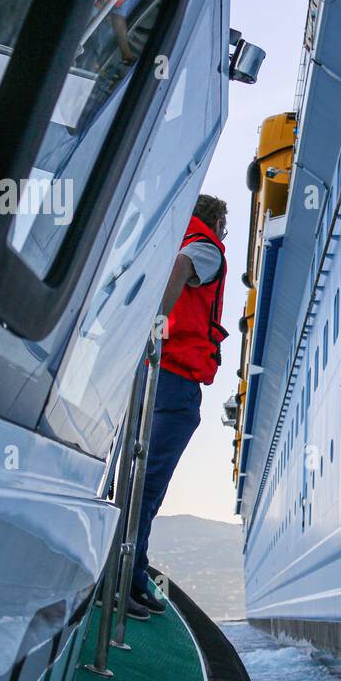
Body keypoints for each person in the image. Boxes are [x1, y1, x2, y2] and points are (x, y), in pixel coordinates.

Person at [126, 194, 230, 619]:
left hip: (157, 375)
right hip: (177, 381)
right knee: (149, 486)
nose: (225, 231)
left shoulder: (173, 239)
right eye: (225, 222)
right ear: (217, 220)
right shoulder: (205, 247)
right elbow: (183, 266)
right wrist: (157, 323)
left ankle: (132, 574)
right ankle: (123, 580)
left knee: (141, 482)